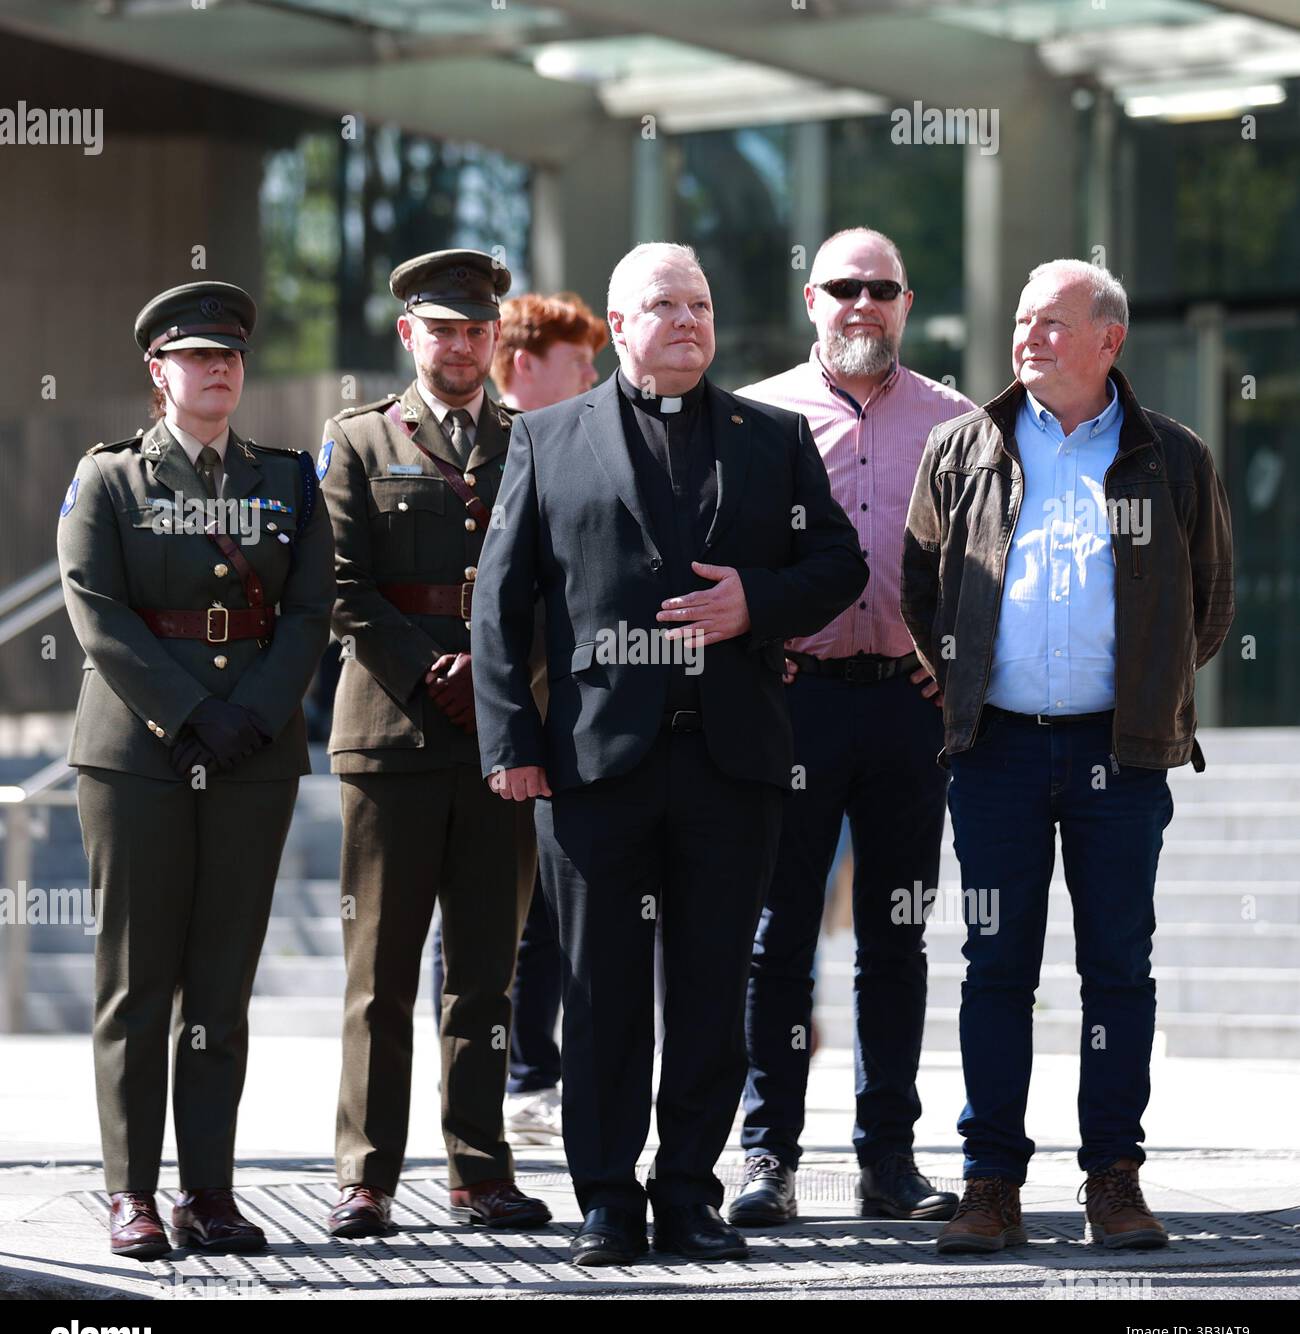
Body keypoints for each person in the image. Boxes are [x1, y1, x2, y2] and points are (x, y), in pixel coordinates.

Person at [471, 242, 868, 1266]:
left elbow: (837, 562)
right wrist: (510, 739)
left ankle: (687, 1191)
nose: (688, 319)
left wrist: (757, 602)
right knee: (598, 993)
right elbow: (499, 601)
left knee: (708, 989)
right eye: (664, 304)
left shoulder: (772, 439)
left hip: (731, 765)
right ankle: (606, 1195)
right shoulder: (548, 439)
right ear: (617, 322)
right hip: (594, 767)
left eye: (700, 302)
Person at [900, 259, 1235, 1253]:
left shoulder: (1172, 457)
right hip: (994, 750)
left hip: (1120, 757)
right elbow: (922, 586)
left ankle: (1113, 1180)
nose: (1028, 338)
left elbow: (1207, 604)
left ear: (1108, 339)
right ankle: (989, 1182)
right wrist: (962, 681)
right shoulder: (964, 448)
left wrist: (1143, 693)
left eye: (1052, 323)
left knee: (1116, 972)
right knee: (993, 967)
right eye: (1021, 321)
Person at [56, 281, 335, 1259]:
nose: (218, 368)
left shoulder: (289, 481)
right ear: (158, 371)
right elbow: (97, 609)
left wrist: (251, 714)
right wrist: (189, 713)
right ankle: (131, 1189)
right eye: (196, 354)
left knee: (221, 983)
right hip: (139, 754)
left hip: (251, 755)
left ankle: (208, 1191)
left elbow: (308, 611)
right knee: (136, 979)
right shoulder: (109, 480)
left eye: (231, 354)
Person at [728, 227, 971, 1228]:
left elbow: (987, 560)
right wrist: (754, 647)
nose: (862, 302)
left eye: (881, 288)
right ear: (811, 299)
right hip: (796, 708)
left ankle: (889, 1162)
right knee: (778, 935)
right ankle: (766, 1157)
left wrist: (955, 660)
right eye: (844, 287)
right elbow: (722, 552)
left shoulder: (957, 422)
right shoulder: (758, 416)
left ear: (907, 302)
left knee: (897, 937)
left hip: (910, 716)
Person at [320, 249, 549, 1239]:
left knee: (486, 973)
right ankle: (365, 1175)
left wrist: (496, 681)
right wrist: (429, 668)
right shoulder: (357, 439)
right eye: (440, 329)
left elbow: (561, 584)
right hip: (390, 735)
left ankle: (480, 1171)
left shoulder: (538, 441)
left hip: (499, 739)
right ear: (408, 334)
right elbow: (334, 582)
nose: (459, 346)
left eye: (475, 330)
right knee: (380, 974)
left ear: (496, 338)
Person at [430, 290, 609, 1144]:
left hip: (555, 716)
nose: (595, 378)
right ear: (525, 364)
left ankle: (533, 1070)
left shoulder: (578, 448)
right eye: (580, 364)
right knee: (476, 921)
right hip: (452, 712)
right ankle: (492, 1083)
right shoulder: (472, 446)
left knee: (539, 910)